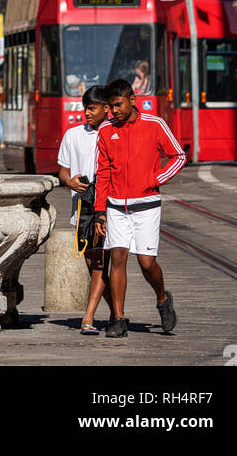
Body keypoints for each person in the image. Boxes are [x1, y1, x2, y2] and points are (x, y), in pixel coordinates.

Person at [93, 78, 185, 338]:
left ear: (132, 100)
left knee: (146, 263)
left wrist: (156, 179)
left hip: (146, 206)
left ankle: (163, 298)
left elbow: (179, 155)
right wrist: (100, 210)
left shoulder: (154, 124)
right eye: (110, 107)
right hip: (115, 206)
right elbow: (103, 173)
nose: (114, 112)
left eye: (118, 105)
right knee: (118, 257)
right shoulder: (105, 131)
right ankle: (119, 319)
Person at [57, 86, 114, 333]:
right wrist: (70, 182)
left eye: (92, 108)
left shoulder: (115, 133)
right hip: (82, 206)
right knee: (93, 263)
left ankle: (88, 316)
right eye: (85, 108)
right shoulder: (73, 135)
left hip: (109, 205)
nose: (87, 113)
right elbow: (63, 171)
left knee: (101, 261)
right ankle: (117, 313)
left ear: (105, 108)